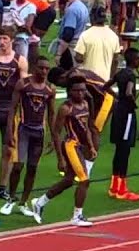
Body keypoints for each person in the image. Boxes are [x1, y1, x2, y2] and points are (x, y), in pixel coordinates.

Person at [29, 76, 97, 227]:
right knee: (84, 180)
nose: (80, 93)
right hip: (70, 145)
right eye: (76, 90)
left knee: (68, 180)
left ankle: (39, 202)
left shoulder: (85, 104)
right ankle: (77, 216)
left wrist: (91, 146)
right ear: (69, 91)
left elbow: (86, 129)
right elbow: (56, 132)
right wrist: (60, 158)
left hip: (80, 146)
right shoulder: (66, 108)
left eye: (82, 90)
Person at [0, 56, 54, 222]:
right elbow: (12, 109)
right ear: (35, 67)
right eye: (41, 68)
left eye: (47, 69)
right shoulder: (23, 84)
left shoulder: (50, 89)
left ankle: (23, 203)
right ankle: (11, 199)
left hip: (39, 132)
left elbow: (51, 115)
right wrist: (9, 131)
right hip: (24, 129)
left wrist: (52, 136)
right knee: (18, 166)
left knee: (32, 168)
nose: (44, 71)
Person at [0, 29, 27, 200]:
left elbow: (24, 88)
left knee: (8, 151)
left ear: (12, 40)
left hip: (9, 111)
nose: (2, 41)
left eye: (5, 38)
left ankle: (2, 188)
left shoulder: (20, 61)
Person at [106, 48, 139, 202]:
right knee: (125, 150)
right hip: (127, 114)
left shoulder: (120, 72)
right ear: (134, 60)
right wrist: (133, 103)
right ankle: (122, 189)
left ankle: (113, 186)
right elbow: (128, 92)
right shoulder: (131, 75)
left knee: (118, 149)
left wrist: (117, 97)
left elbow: (106, 86)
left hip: (118, 112)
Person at [74, 5, 121, 83]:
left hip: (88, 79)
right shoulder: (114, 36)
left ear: (92, 18)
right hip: (105, 80)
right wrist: (111, 79)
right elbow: (115, 60)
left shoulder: (86, 34)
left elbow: (79, 58)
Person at [55, 0, 90, 69]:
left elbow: (68, 33)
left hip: (70, 48)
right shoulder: (83, 7)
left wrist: (59, 53)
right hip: (79, 44)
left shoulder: (72, 9)